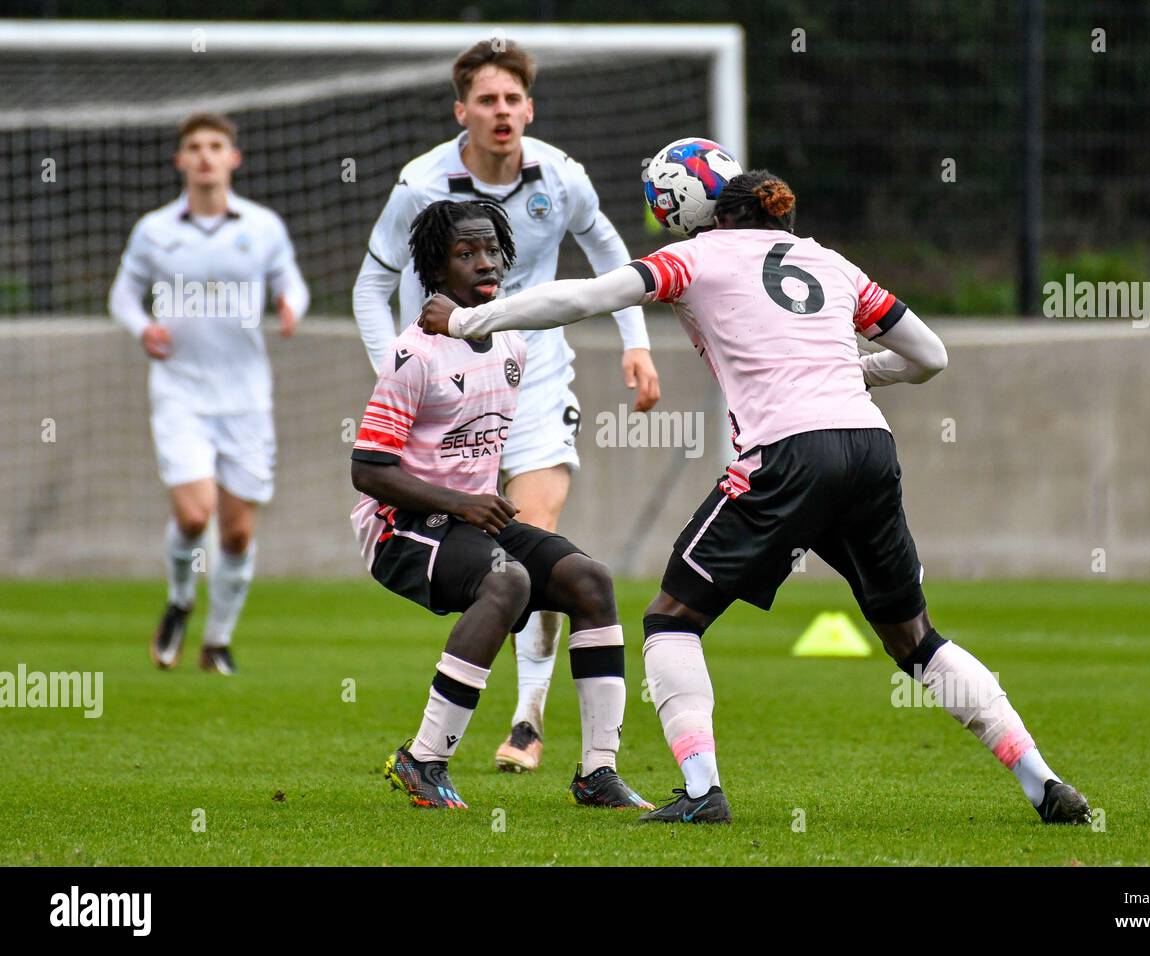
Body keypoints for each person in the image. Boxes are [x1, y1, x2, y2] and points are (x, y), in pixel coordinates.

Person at [416, 169, 1092, 826]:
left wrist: (475, 321)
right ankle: (1042, 781)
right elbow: (931, 356)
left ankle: (702, 790)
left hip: (787, 454)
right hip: (868, 447)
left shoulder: (696, 255)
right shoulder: (828, 261)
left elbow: (587, 298)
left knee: (671, 620)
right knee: (916, 639)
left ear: (721, 216)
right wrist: (849, 370)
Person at [353, 39, 662, 773]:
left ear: (530, 107)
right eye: (486, 100)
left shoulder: (562, 176)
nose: (501, 112)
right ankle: (430, 752)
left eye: (513, 99)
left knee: (542, 541)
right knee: (502, 566)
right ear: (462, 110)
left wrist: (637, 344)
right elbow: (371, 285)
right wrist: (402, 372)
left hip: (532, 376)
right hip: (438, 389)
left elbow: (615, 259)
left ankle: (530, 721)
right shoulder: (419, 184)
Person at [109, 111, 309, 676]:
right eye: (194, 146)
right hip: (180, 393)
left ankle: (217, 641)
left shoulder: (262, 226)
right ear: (180, 160)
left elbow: (290, 280)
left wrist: (293, 305)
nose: (204, 155)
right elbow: (122, 297)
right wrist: (141, 327)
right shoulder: (155, 230)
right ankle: (179, 599)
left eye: (215, 145)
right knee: (195, 516)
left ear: (233, 158)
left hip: (245, 397)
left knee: (238, 529)